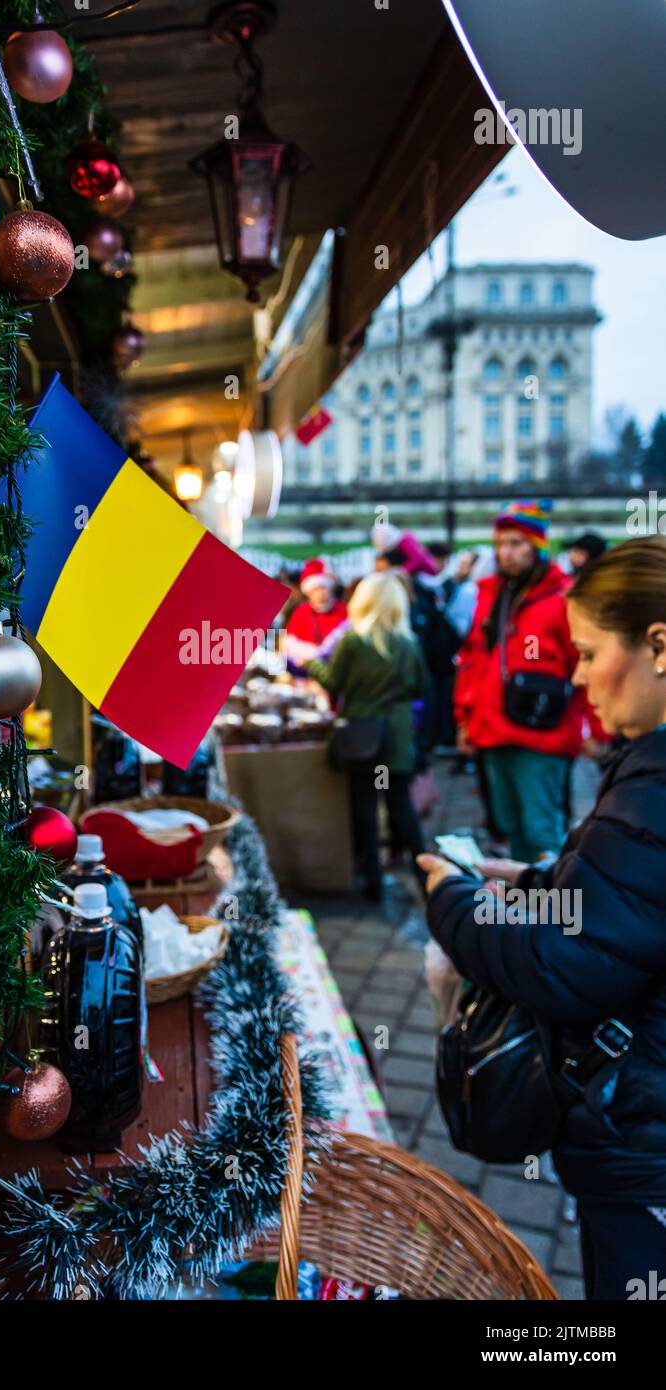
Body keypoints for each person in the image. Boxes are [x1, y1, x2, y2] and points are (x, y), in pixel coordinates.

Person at [419, 536, 666, 1300]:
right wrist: (532, 881)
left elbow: (569, 962)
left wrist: (451, 904)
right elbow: (628, 906)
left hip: (645, 1140)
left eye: (590, 653)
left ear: (658, 645)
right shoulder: (645, 764)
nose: (578, 674)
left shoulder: (655, 780)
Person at [454, 500, 582, 861]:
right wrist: (465, 717)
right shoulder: (490, 594)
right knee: (510, 827)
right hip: (492, 729)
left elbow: (585, 663)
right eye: (500, 544)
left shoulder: (563, 598)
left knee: (542, 831)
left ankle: (550, 911)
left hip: (542, 736)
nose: (505, 553)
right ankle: (526, 908)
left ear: (538, 547)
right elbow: (472, 659)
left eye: (516, 543)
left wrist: (594, 728)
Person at [307, 572, 426, 901]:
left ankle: (371, 881)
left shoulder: (353, 640)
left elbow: (333, 683)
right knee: (402, 809)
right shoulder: (407, 643)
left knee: (364, 809)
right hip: (397, 738)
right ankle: (427, 878)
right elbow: (420, 687)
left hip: (362, 738)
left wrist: (313, 664)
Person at [284, 557, 348, 665]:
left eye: (323, 588)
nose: (320, 593)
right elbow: (289, 643)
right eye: (316, 589)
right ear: (309, 592)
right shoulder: (301, 612)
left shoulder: (343, 609)